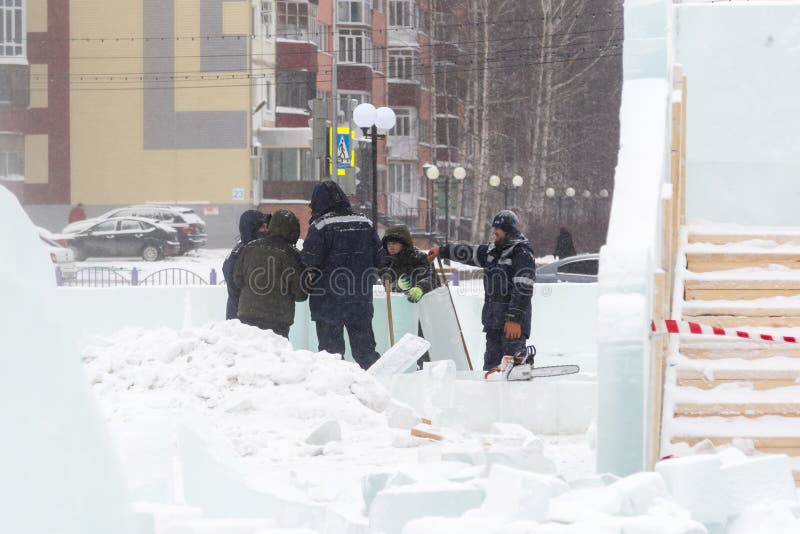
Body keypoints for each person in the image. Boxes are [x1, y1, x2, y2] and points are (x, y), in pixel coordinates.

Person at [428, 210, 535, 371]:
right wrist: (442, 251)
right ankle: (491, 395)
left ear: (508, 230)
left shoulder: (521, 253)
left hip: (512, 324)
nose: (494, 232)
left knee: (512, 370)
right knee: (491, 369)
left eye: (498, 230)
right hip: (494, 322)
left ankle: (517, 389)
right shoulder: (493, 252)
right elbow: (470, 253)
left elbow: (523, 288)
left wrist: (514, 319)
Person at [301, 180, 384, 369]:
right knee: (366, 352)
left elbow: (308, 260)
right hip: (360, 301)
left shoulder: (321, 225)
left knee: (332, 357)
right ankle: (378, 387)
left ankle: (337, 395)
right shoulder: (365, 222)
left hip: (328, 303)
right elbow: (381, 259)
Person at [233, 209, 306, 338]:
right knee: (274, 355)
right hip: (278, 320)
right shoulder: (292, 255)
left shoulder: (249, 248)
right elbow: (300, 294)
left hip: (248, 315)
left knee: (249, 353)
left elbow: (237, 279)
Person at [381, 224, 440, 368]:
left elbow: (433, 279)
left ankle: (425, 370)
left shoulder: (420, 258)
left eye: (394, 243)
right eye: (388, 244)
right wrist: (397, 286)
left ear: (404, 243)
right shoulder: (387, 262)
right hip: (400, 314)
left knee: (422, 343)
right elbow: (386, 284)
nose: (391, 247)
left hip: (423, 313)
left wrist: (420, 288)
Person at [222, 210, 270, 320]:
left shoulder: (240, 250)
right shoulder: (243, 254)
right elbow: (237, 287)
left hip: (240, 316)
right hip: (244, 319)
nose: (266, 231)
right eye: (262, 227)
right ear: (252, 229)